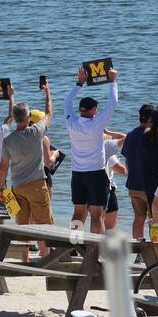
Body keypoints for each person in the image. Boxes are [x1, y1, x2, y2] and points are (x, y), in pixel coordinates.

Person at [0, 83, 55, 258]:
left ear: (15, 119)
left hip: (17, 187)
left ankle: (25, 260)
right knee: (44, 224)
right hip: (37, 184)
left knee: (22, 227)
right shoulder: (36, 132)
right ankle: (45, 259)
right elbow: (49, 113)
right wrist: (48, 93)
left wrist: (1, 189)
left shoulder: (8, 140)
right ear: (29, 117)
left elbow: (3, 167)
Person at [65, 65, 118, 234]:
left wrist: (79, 83)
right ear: (94, 110)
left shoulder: (71, 122)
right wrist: (112, 81)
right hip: (95, 174)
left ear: (81, 110)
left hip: (77, 174)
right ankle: (95, 253)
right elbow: (113, 102)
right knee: (97, 215)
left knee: (78, 212)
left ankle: (75, 245)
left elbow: (66, 102)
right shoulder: (97, 124)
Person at [120, 104, 154, 242]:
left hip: (133, 184)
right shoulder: (153, 136)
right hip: (151, 186)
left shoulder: (131, 135)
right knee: (154, 220)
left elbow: (127, 161)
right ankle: (155, 251)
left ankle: (139, 252)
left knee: (138, 218)